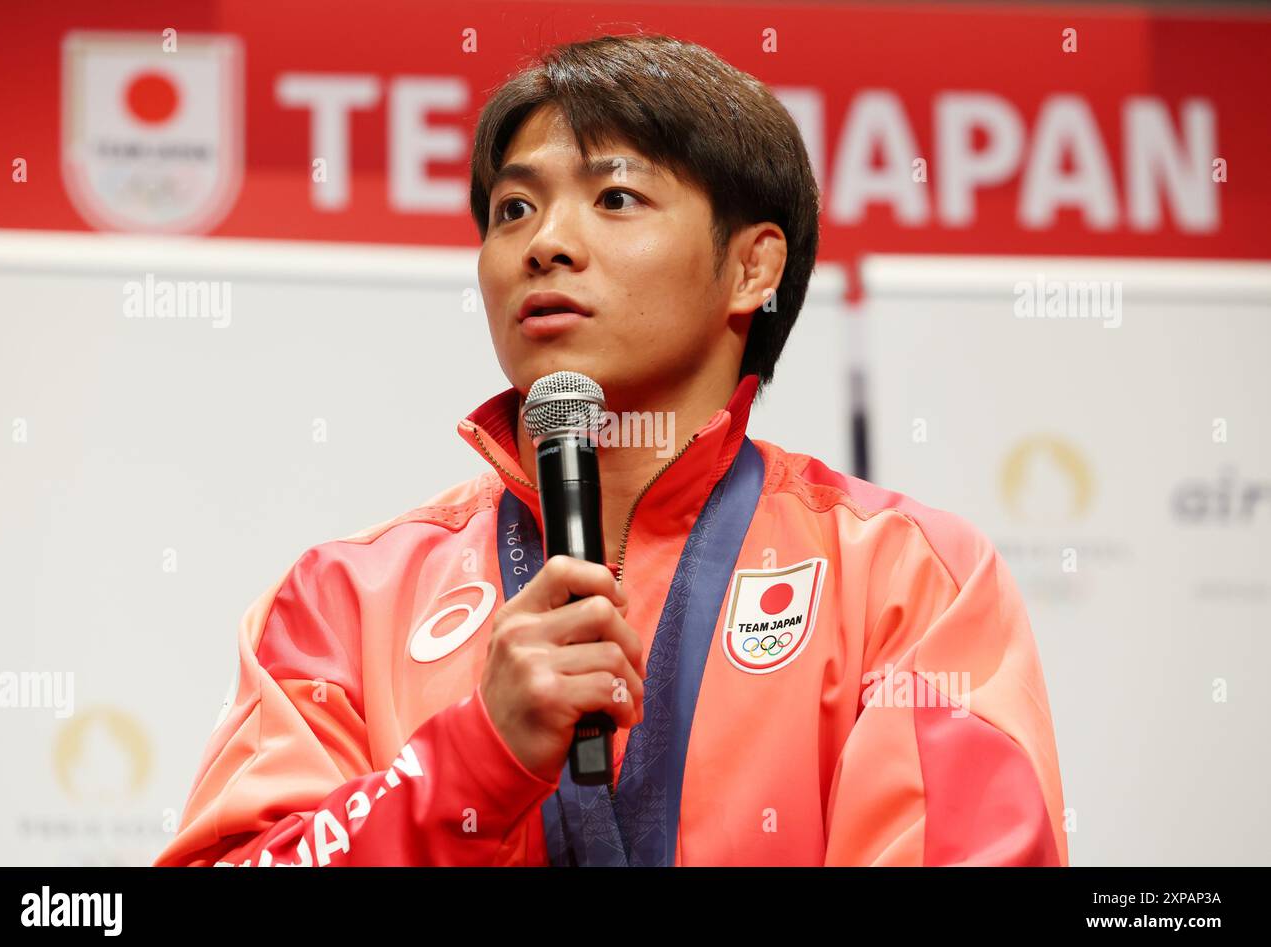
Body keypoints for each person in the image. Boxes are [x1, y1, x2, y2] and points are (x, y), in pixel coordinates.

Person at [154, 33, 1067, 867]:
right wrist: (475, 758)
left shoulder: (906, 579)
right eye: (513, 209)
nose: (544, 243)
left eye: (615, 197)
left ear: (752, 268)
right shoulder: (344, 602)